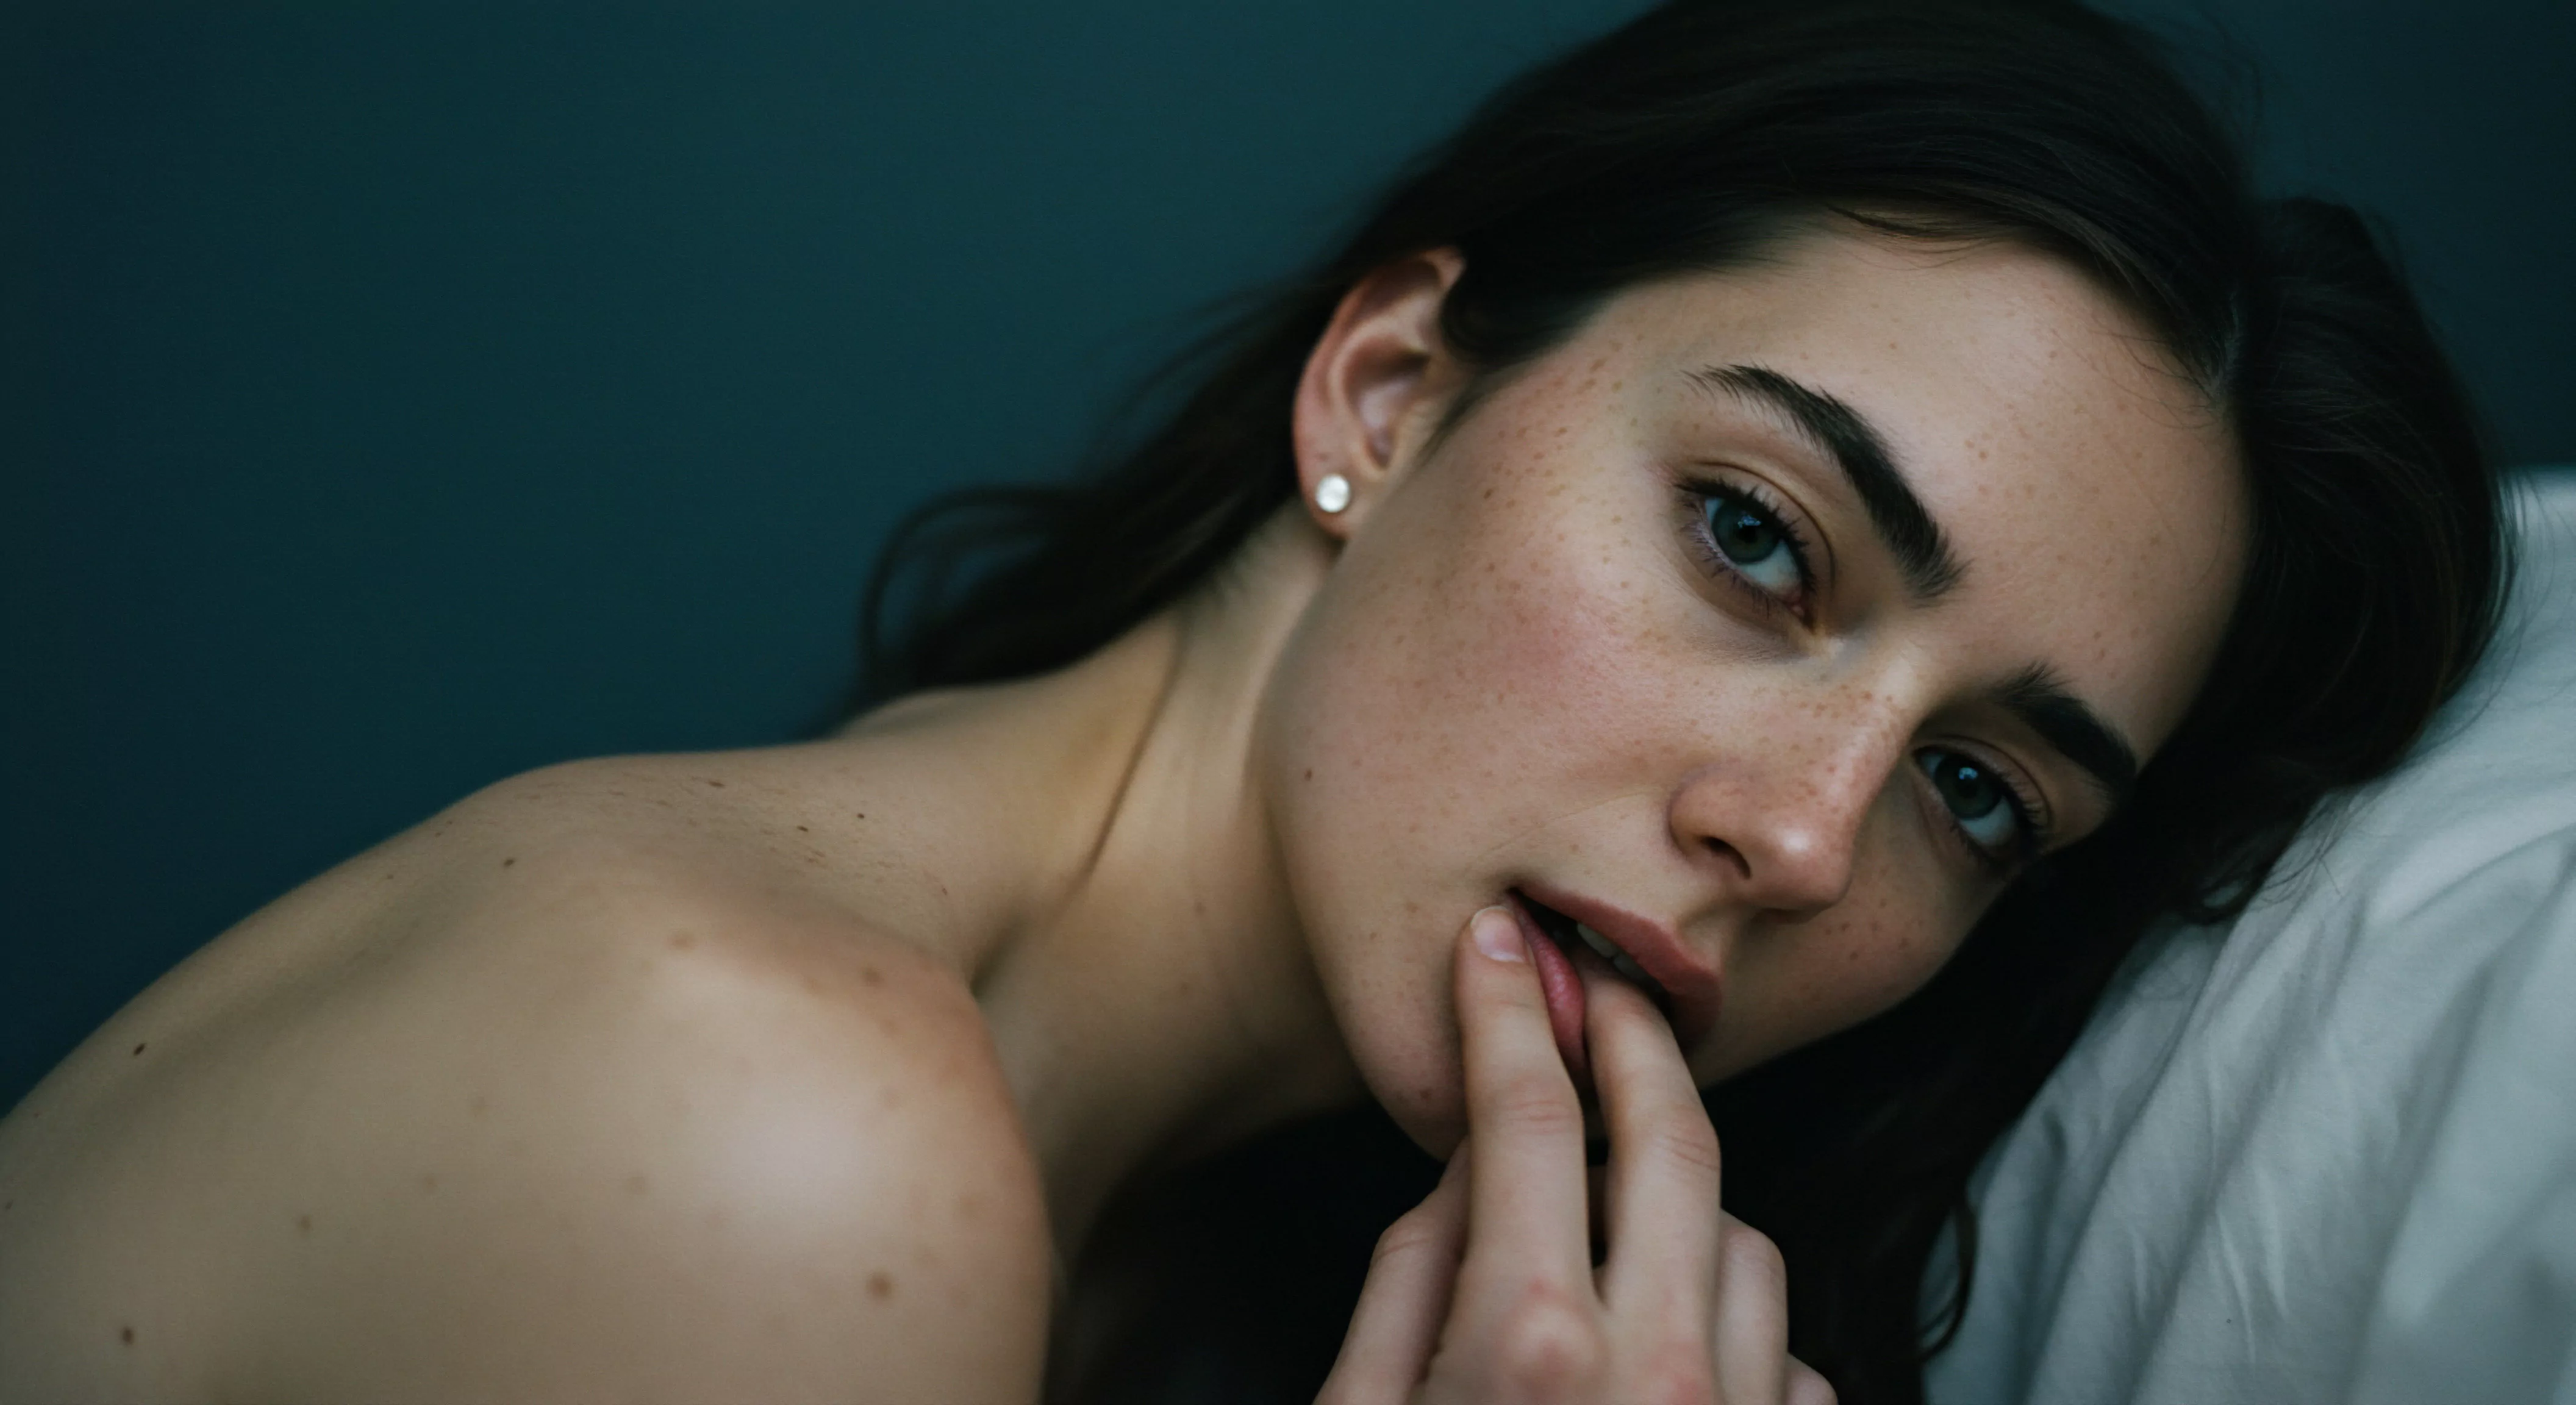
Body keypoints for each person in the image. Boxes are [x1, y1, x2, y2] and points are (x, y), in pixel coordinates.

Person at [0, 1, 2505, 1401]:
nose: (1816, 836)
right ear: (1393, 391)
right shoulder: (776, 1133)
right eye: (1759, 538)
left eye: (1981, 788)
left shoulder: (1220, 1258)